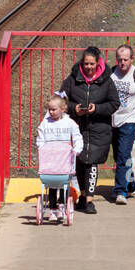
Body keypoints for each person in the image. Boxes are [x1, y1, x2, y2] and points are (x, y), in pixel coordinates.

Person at [58, 45, 120, 214]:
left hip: (99, 129)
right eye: (86, 64)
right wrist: (73, 108)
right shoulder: (72, 79)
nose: (89, 67)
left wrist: (97, 109)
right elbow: (60, 99)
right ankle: (82, 197)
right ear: (82, 63)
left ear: (98, 63)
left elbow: (114, 103)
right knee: (79, 163)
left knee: (91, 164)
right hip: (78, 128)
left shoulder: (107, 80)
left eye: (92, 64)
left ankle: (90, 201)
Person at [108, 44, 135, 204]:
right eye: (119, 59)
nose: (122, 63)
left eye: (125, 59)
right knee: (119, 156)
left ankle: (120, 191)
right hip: (113, 120)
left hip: (129, 121)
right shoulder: (111, 74)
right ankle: (130, 185)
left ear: (132, 59)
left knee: (123, 155)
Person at [35, 94, 83, 223]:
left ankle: (61, 205)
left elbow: (77, 136)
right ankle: (52, 208)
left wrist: (77, 149)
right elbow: (40, 138)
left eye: (53, 109)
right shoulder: (45, 123)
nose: (51, 112)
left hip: (64, 159)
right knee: (51, 183)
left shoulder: (69, 122)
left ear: (63, 109)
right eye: (49, 109)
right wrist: (42, 148)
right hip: (50, 161)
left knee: (63, 183)